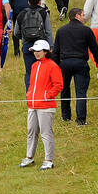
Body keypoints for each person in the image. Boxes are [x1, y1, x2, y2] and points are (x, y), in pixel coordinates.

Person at [54, 8, 98, 125]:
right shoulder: (86, 30)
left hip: (64, 63)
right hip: (80, 63)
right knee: (81, 92)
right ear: (77, 16)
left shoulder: (61, 31)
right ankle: (81, 120)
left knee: (64, 90)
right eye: (83, 15)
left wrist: (55, 66)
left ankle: (65, 116)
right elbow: (94, 48)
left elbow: (56, 51)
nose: (84, 17)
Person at [19, 40, 62, 171]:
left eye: (39, 51)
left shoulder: (52, 66)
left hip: (46, 106)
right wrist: (29, 95)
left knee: (45, 133)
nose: (36, 53)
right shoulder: (34, 66)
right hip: (32, 105)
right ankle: (29, 157)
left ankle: (48, 160)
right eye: (35, 51)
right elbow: (32, 85)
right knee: (31, 132)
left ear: (45, 52)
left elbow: (58, 84)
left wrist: (47, 95)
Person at [15, 0, 54, 88]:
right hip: (41, 46)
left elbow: (16, 32)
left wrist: (23, 38)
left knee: (29, 71)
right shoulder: (43, 13)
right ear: (40, 2)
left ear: (28, 2)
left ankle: (30, 92)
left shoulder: (22, 13)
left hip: (27, 45)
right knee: (43, 70)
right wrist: (51, 46)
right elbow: (48, 31)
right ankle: (41, 90)